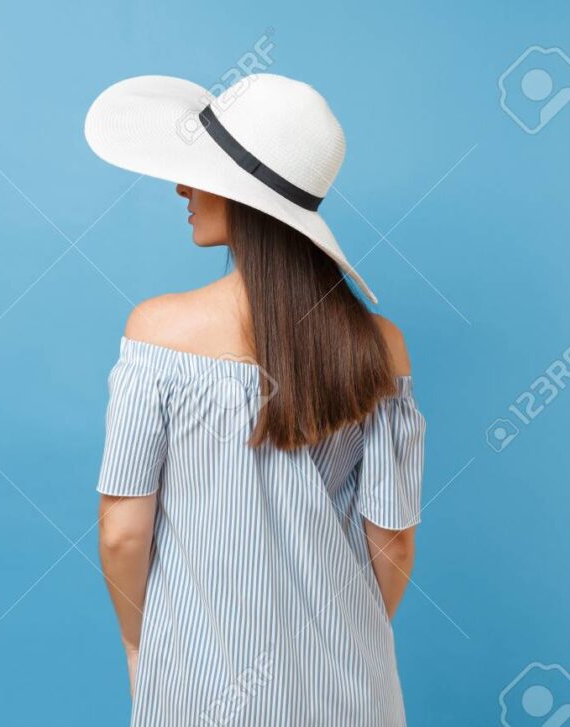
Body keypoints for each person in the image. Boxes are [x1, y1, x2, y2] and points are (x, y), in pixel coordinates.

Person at [85, 73, 426, 726]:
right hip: (349, 692)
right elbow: (394, 547)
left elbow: (122, 532)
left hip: (196, 688)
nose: (182, 186)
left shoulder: (157, 333)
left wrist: (138, 642)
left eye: (198, 173)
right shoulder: (383, 351)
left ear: (245, 198)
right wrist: (332, 645)